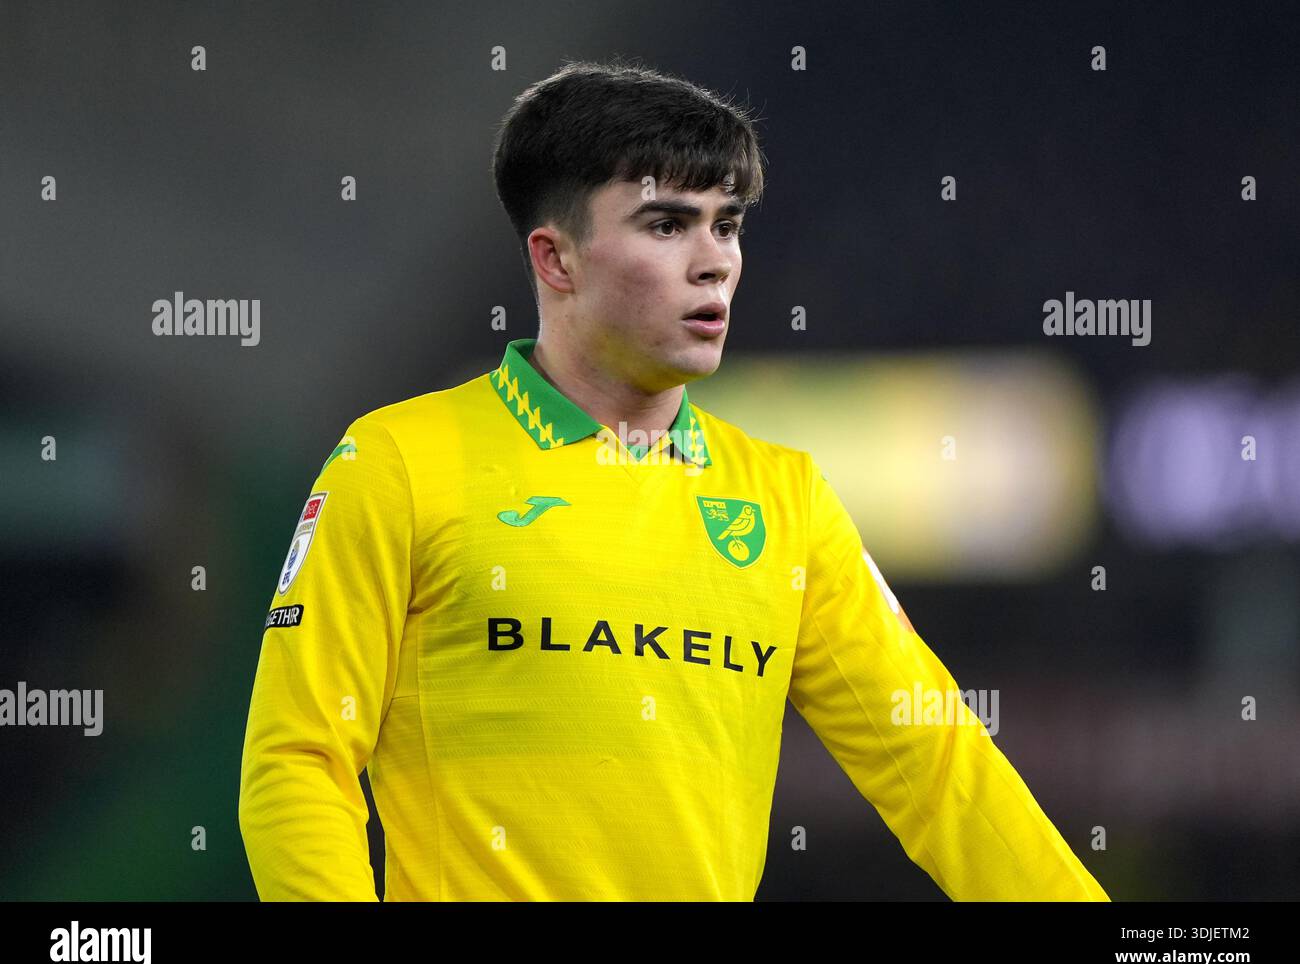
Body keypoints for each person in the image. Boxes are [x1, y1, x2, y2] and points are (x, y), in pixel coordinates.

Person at [238, 58, 1108, 902]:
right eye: (666, 224)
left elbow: (937, 764)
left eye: (726, 224)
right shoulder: (400, 461)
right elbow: (297, 761)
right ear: (556, 259)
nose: (715, 261)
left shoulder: (785, 498)